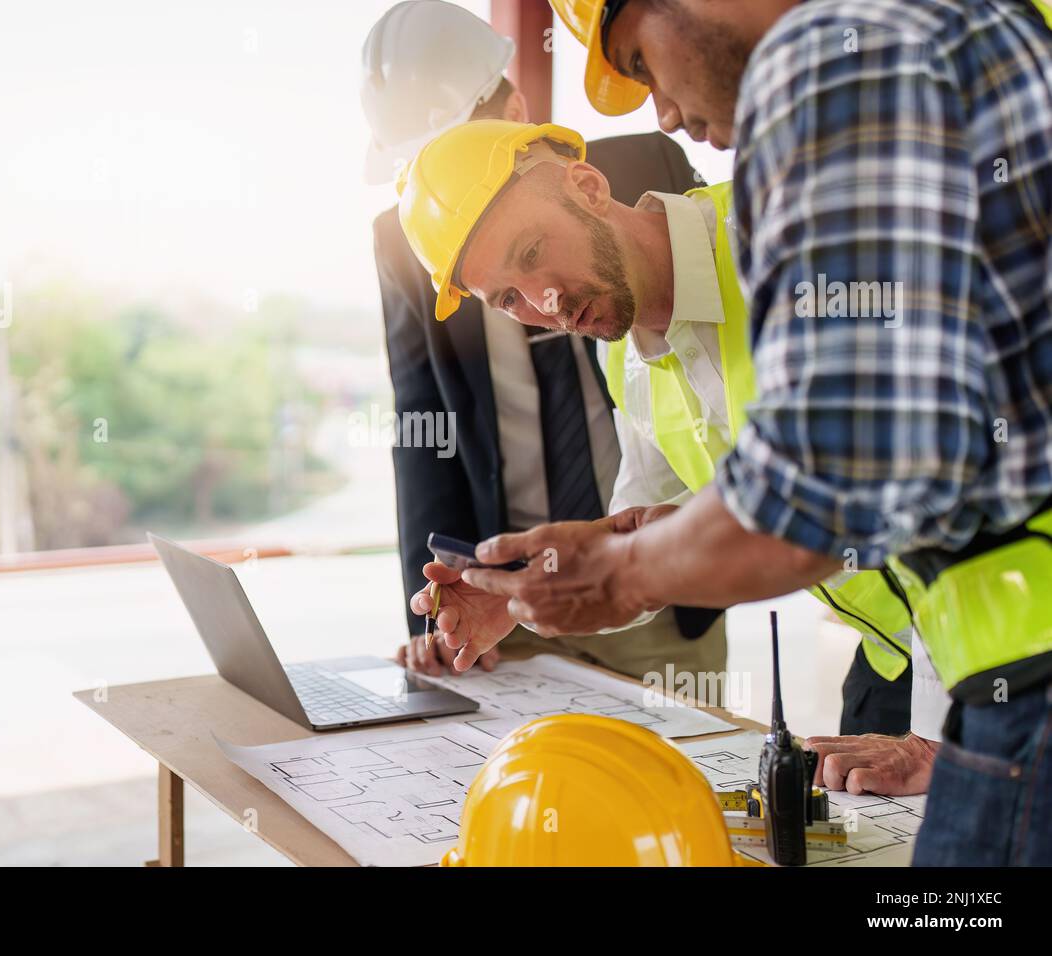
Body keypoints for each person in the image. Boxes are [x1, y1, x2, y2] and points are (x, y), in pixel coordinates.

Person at [445, 0, 1052, 865]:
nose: (661, 112)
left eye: (643, 61)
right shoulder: (962, 38)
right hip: (967, 658)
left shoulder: (854, 68)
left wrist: (616, 572)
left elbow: (832, 475)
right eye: (508, 298)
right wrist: (539, 580)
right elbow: (688, 515)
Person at [396, 119, 913, 730]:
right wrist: (528, 591)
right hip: (893, 653)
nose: (547, 305)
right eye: (510, 298)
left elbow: (914, 484)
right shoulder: (619, 355)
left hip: (989, 639)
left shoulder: (781, 244)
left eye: (532, 253)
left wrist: (936, 727)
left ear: (587, 186)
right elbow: (643, 532)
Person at [361, 1, 721, 681]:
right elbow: (422, 429)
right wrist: (439, 613)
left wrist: (639, 560)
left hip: (664, 581)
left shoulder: (647, 167)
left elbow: (710, 386)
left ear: (517, 113)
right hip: (513, 583)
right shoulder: (407, 247)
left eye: (462, 150)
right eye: (504, 297)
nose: (547, 306)